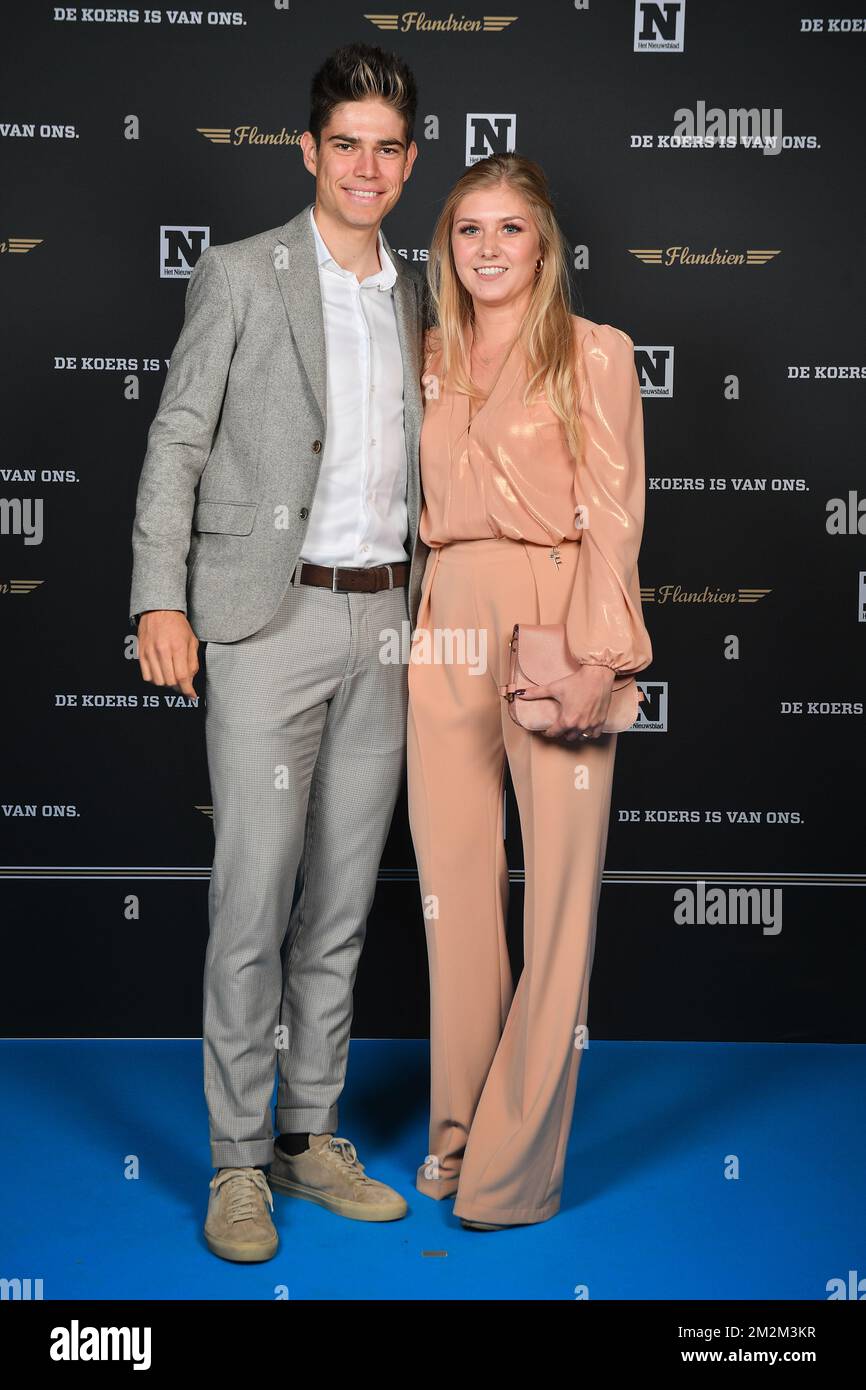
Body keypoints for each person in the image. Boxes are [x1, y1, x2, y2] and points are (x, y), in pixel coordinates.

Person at [128, 43, 428, 1262]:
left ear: (410, 164)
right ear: (309, 152)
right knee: (251, 898)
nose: (364, 166)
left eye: (386, 148)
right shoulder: (242, 273)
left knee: (342, 903)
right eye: (343, 144)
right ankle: (237, 1160)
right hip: (267, 620)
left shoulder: (419, 294)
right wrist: (159, 597)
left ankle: (308, 1137)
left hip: (390, 623)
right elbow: (177, 439)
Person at [407, 153, 653, 1229]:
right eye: (469, 230)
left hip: (556, 611)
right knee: (451, 894)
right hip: (445, 608)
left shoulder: (592, 352)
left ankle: (515, 1167)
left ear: (543, 244)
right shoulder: (424, 353)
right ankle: (457, 1133)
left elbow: (615, 509)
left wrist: (598, 656)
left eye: (510, 229)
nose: (489, 249)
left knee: (555, 904)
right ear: (446, 247)